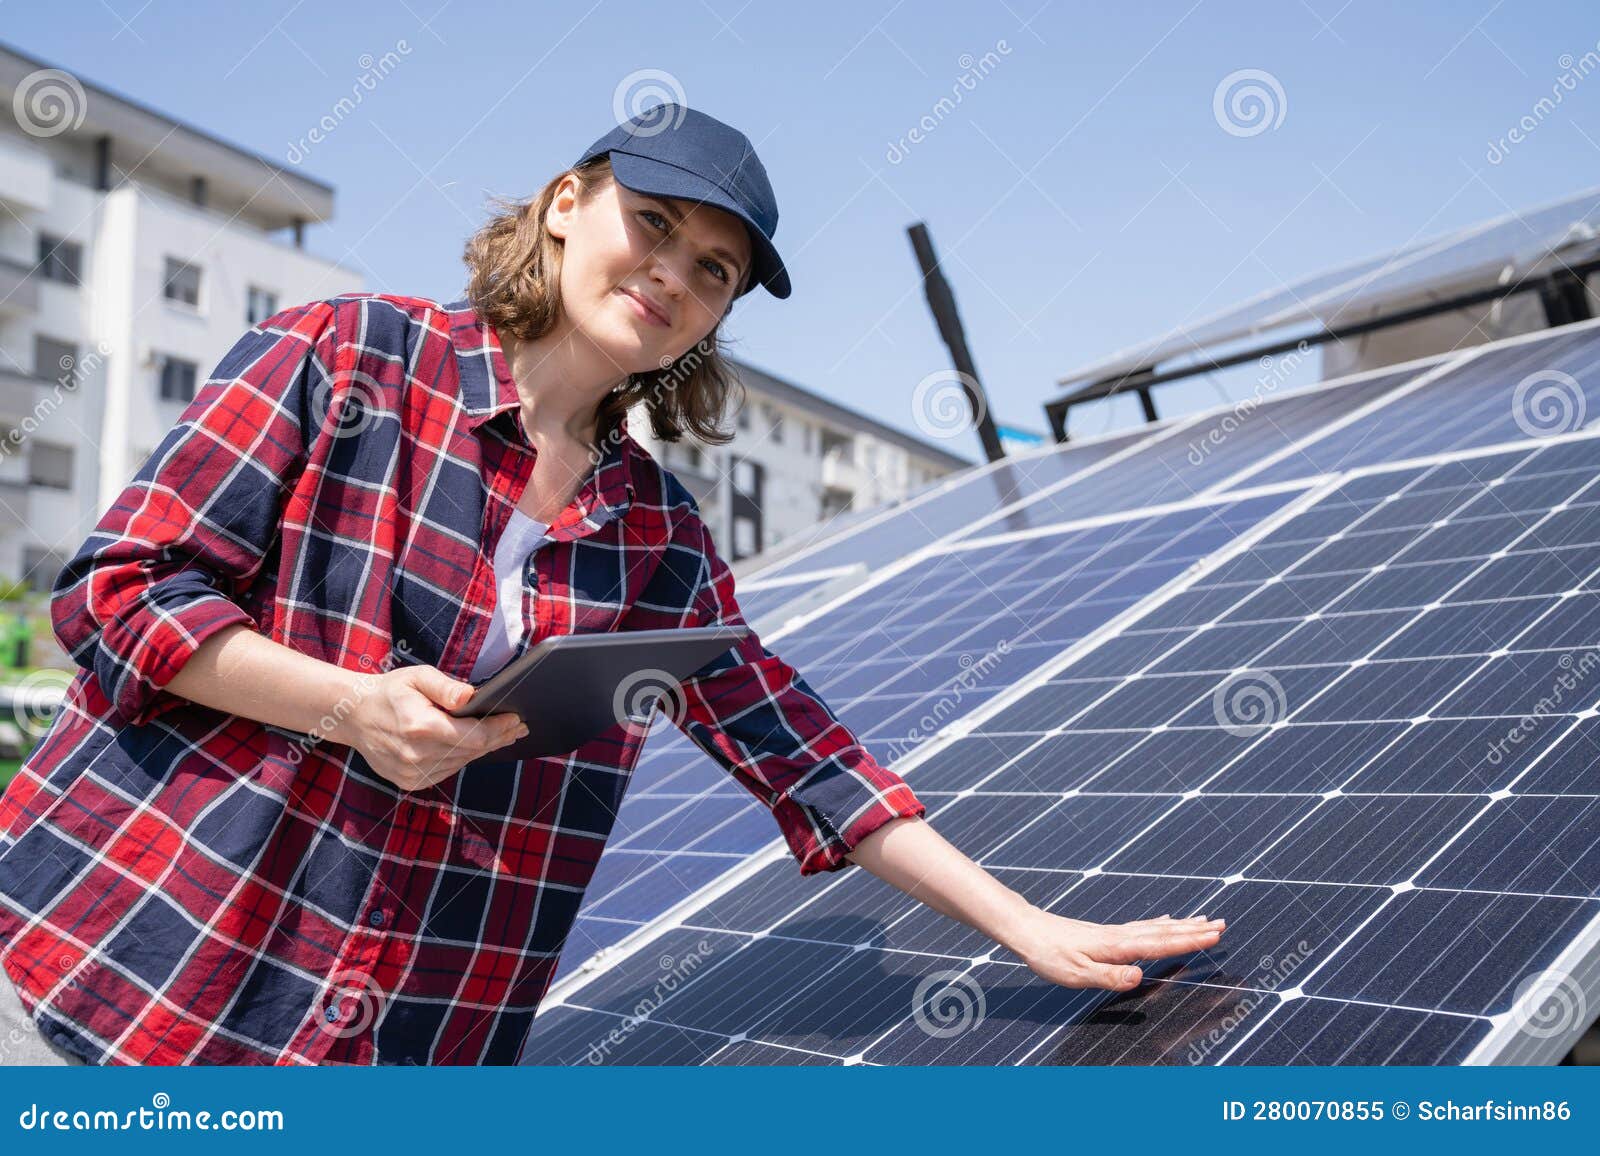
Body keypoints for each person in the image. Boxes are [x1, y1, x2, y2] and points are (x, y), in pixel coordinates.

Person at [0, 103, 1224, 1066]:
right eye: (653, 223)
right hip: (105, 978)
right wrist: (347, 705)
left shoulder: (657, 537)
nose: (674, 274)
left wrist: (1026, 925)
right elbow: (118, 592)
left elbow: (804, 755)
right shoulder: (346, 355)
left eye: (713, 270)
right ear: (565, 204)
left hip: (395, 1044)